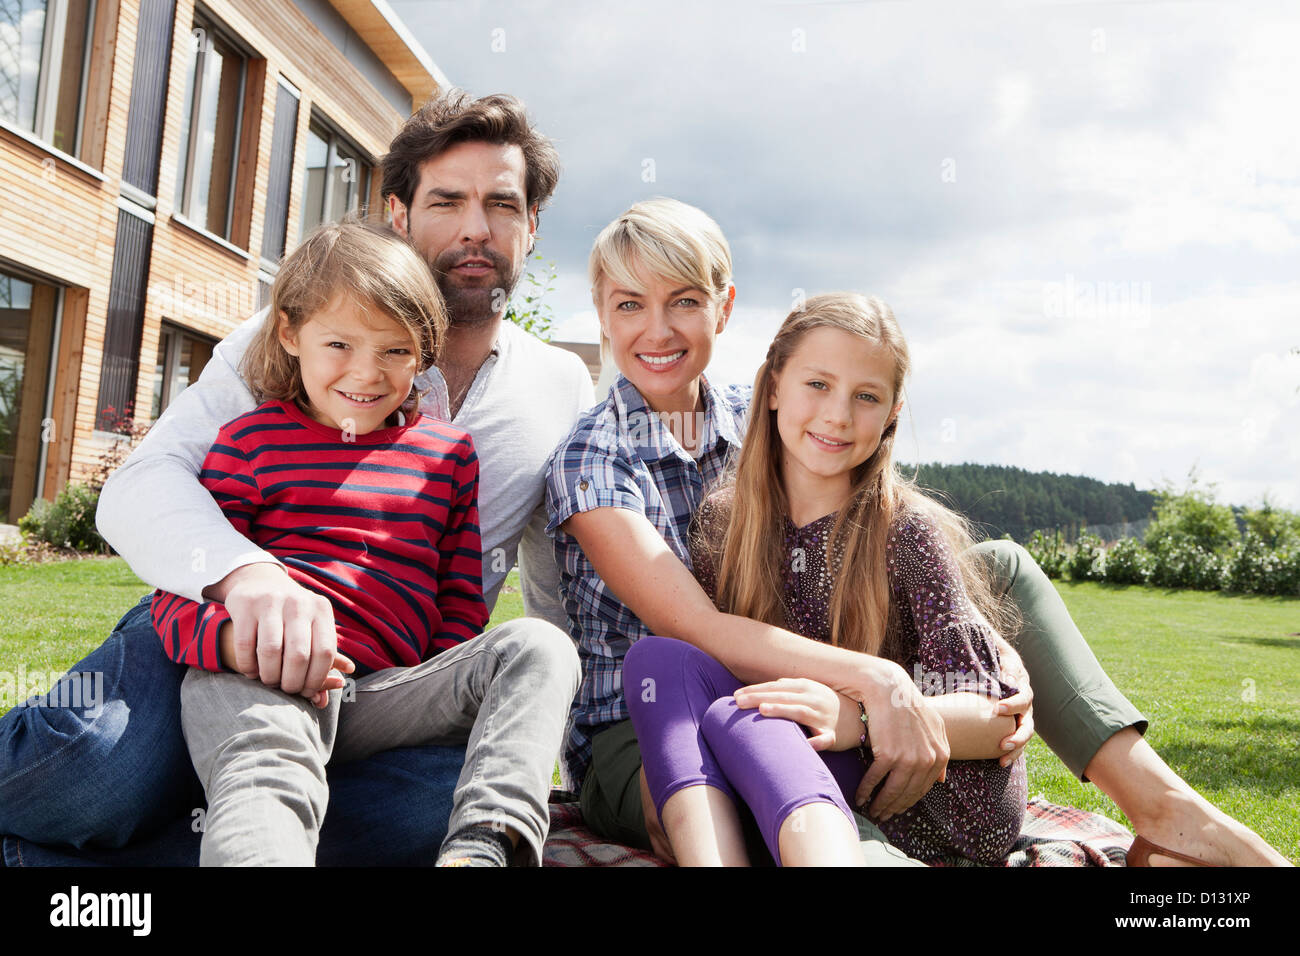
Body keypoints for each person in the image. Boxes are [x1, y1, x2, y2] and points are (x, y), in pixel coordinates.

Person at [545, 197, 1291, 867]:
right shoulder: (594, 458)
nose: (657, 329)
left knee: (998, 567)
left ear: (724, 308)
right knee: (747, 758)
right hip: (648, 717)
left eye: (683, 301)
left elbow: (883, 517)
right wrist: (879, 683)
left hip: (789, 674)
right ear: (601, 313)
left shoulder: (766, 407)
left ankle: (1163, 808)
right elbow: (697, 629)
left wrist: (982, 638)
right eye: (629, 305)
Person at [0, 91, 594, 866]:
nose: (476, 227)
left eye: (502, 205)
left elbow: (556, 588)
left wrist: (567, 753)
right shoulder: (290, 336)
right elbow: (142, 482)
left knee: (431, 809)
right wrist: (248, 581)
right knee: (104, 773)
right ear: (399, 213)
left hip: (385, 687)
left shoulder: (557, 384)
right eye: (448, 200)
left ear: (532, 227)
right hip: (226, 635)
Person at [154, 219, 579, 866]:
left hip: (383, 696)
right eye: (339, 344)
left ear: (424, 354)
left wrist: (441, 704)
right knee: (267, 776)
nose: (366, 372)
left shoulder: (448, 456)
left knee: (539, 648)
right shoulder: (250, 443)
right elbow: (183, 586)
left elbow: (459, 605)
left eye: (395, 351)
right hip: (263, 676)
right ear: (290, 332)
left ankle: (485, 844)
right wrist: (240, 644)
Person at [624, 293, 1027, 866]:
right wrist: (665, 760)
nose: (838, 415)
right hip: (791, 765)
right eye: (818, 385)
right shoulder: (725, 522)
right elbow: (709, 674)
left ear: (892, 412)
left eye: (866, 396)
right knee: (657, 662)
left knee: (751, 715)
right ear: (772, 389)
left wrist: (854, 717)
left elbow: (997, 722)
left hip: (927, 800)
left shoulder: (904, 530)